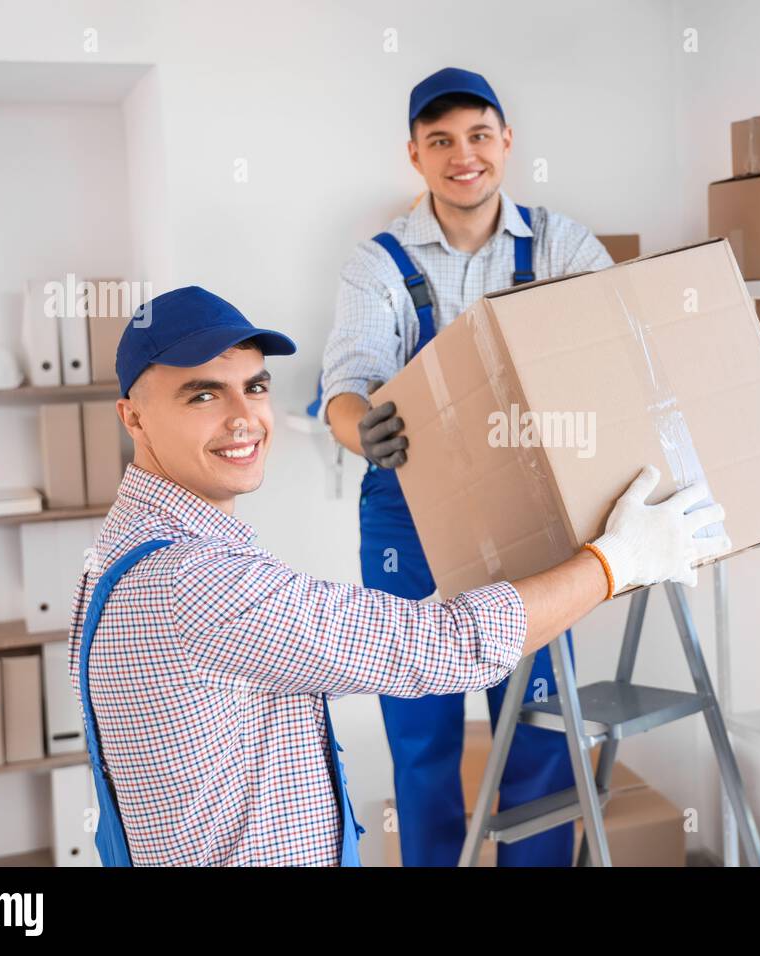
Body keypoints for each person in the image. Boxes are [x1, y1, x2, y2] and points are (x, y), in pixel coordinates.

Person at [68, 285, 728, 866]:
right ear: (133, 416)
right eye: (203, 394)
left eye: (256, 386)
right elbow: (443, 647)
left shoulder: (118, 554)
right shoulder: (195, 579)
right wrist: (616, 563)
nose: (244, 417)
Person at [313, 66, 622, 866]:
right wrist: (361, 430)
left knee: (541, 729)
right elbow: (344, 385)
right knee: (422, 739)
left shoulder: (560, 245)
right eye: (440, 141)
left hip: (530, 512)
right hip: (408, 517)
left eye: (478, 136)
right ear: (414, 155)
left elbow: (614, 345)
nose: (463, 156)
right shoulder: (376, 265)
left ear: (506, 143)